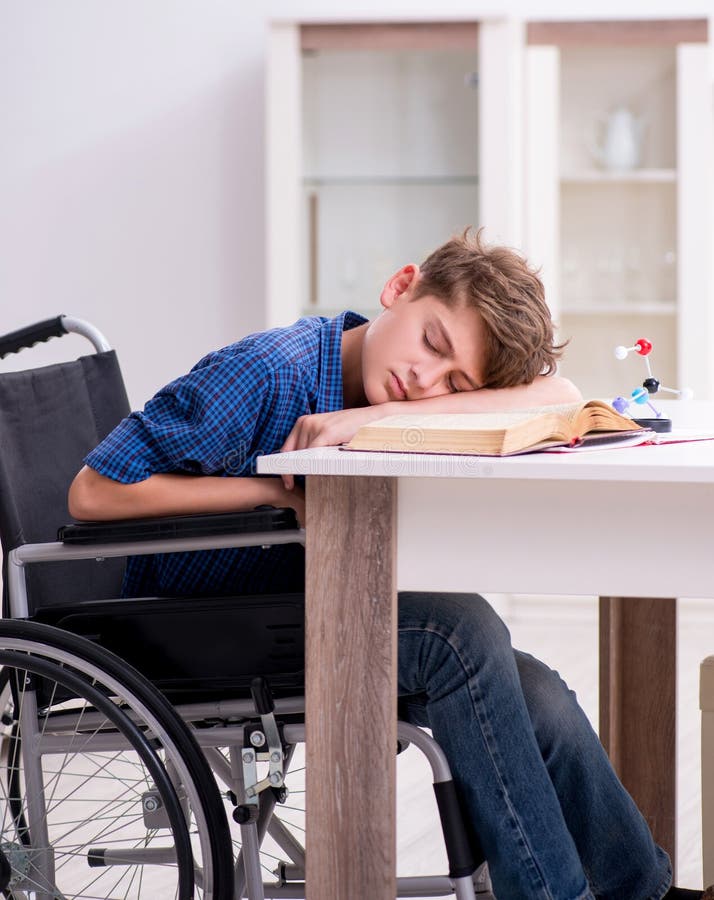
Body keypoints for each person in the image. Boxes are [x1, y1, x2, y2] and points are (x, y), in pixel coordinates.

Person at [68, 229, 710, 900]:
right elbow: (93, 490)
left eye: (455, 383)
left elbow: (560, 394)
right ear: (399, 288)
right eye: (433, 343)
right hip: (189, 622)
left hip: (295, 596)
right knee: (455, 630)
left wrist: (351, 425)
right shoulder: (269, 370)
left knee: (537, 690)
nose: (424, 382)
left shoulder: (374, 393)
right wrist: (272, 490)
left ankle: (642, 891)